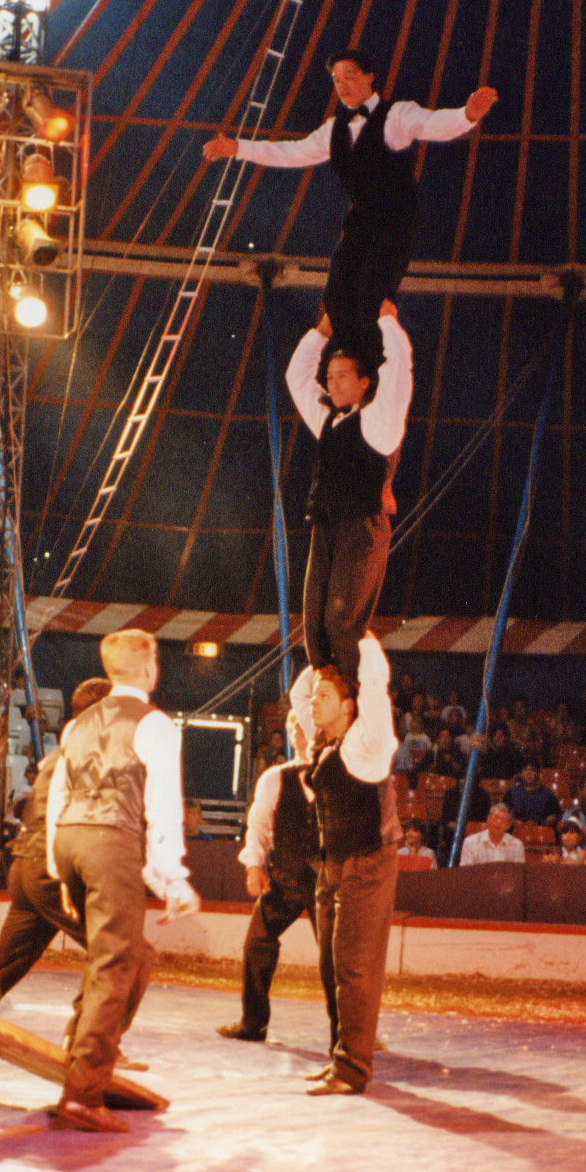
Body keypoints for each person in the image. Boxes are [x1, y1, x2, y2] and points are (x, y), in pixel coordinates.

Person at [204, 48, 496, 372]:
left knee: (371, 295)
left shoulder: (396, 115)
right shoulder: (333, 129)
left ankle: (372, 372)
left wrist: (466, 115)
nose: (342, 85)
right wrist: (238, 148)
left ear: (370, 77)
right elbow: (291, 152)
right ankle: (345, 370)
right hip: (361, 219)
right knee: (336, 294)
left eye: (350, 77)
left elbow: (431, 123)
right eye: (336, 80)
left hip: (397, 220)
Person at [0, 680, 127, 1088]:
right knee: (123, 953)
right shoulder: (93, 753)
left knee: (4, 966)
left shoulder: (60, 752)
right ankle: (90, 1043)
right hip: (53, 871)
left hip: (27, 868)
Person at [48, 629, 200, 1132]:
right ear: (149, 666)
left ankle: (90, 1064)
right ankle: (82, 1095)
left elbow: (57, 800)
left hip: (71, 840)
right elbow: (162, 809)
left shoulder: (78, 724)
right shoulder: (155, 724)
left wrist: (60, 870)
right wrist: (174, 878)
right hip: (109, 838)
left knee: (118, 958)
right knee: (117, 966)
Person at [291, 632, 400, 1096]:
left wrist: (358, 645)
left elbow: (374, 688)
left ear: (349, 707)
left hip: (366, 864)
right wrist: (322, 662)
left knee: (354, 967)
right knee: (331, 966)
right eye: (316, 695)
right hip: (332, 864)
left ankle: (353, 1067)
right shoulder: (325, 742)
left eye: (325, 696)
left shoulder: (368, 745)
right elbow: (298, 694)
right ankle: (341, 1053)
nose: (312, 702)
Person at [285, 303, 412, 684]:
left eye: (342, 376)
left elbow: (398, 375)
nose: (333, 382)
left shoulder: (379, 422)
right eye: (330, 375)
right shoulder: (328, 418)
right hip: (326, 526)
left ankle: (356, 702)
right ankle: (328, 704)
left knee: (341, 622)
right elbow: (297, 377)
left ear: (364, 383)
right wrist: (321, 332)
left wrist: (388, 321)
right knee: (315, 632)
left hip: (362, 528)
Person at [218, 711, 335, 1046]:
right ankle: (252, 1023)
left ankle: (349, 1033)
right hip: (284, 878)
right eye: (292, 724)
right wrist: (254, 866)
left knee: (334, 958)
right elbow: (257, 828)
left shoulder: (337, 771)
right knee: (257, 943)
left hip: (325, 883)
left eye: (304, 723)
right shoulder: (274, 777)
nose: (297, 729)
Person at [459, 802, 525, 866]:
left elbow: (518, 874)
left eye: (503, 820)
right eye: (496, 818)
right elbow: (465, 874)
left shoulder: (517, 845)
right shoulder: (471, 842)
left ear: (509, 825)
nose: (498, 822)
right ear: (488, 819)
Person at [506, 759, 561, 827]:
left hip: (541, 832)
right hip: (516, 832)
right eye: (526, 770)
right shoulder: (512, 792)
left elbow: (555, 816)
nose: (528, 773)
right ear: (522, 773)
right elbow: (504, 812)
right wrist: (514, 822)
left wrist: (540, 824)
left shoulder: (548, 795)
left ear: (538, 773)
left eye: (532, 770)